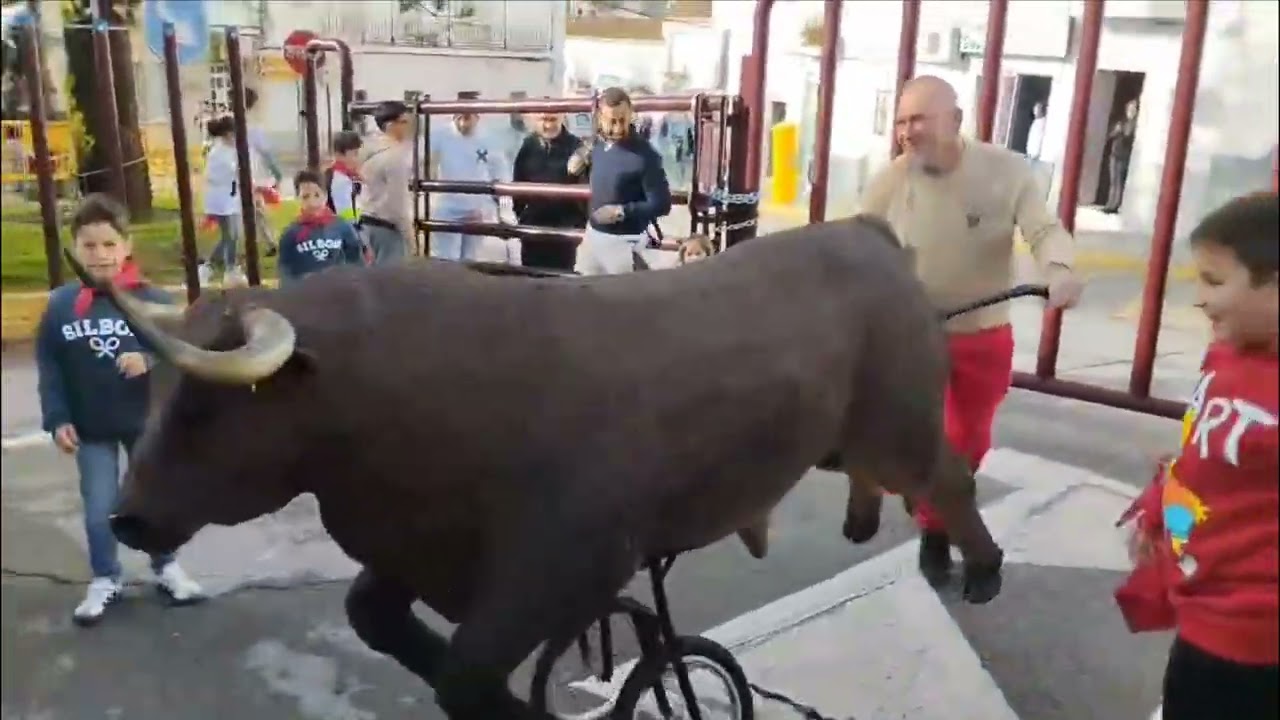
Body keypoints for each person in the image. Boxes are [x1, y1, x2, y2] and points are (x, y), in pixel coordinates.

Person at [859, 75, 1084, 586]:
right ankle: (938, 524)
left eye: (918, 119)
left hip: (984, 334)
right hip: (914, 336)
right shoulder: (892, 179)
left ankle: (936, 527)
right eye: (900, 120)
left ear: (955, 120)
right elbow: (856, 239)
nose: (906, 131)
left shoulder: (1006, 171)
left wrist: (1060, 270)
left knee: (970, 442)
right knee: (928, 440)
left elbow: (1043, 229)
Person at [1120, 192, 1277, 720]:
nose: (1199, 298)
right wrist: (1161, 507)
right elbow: (1202, 450)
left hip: (1252, 635)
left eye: (1214, 281)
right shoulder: (1225, 352)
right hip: (1202, 610)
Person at [35, 193, 206, 627]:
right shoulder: (60, 306)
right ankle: (104, 577)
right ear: (76, 249)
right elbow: (50, 368)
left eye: (109, 244)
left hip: (144, 425)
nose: (100, 254)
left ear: (127, 246)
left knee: (152, 502)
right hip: (90, 428)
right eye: (89, 246)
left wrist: (148, 360)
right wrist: (57, 419)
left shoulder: (154, 302)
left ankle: (165, 565)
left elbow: (179, 358)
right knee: (99, 508)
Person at [568, 86, 672, 275]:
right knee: (584, 297)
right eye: (611, 121)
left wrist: (622, 211)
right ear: (600, 117)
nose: (617, 127)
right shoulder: (595, 145)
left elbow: (662, 204)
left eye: (622, 120)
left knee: (624, 301)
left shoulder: (646, 155)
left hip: (625, 242)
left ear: (631, 114)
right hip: (592, 237)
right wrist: (580, 156)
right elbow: (572, 170)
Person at [427, 93, 507, 263]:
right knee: (445, 259)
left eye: (468, 117)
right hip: (448, 207)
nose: (464, 122)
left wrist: (503, 210)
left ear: (477, 117)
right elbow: (420, 158)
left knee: (471, 261)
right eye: (460, 117)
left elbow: (500, 173)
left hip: (477, 208)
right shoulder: (440, 135)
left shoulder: (489, 139)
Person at [511, 110, 588, 271]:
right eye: (543, 119)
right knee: (531, 278)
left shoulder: (576, 148)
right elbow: (518, 184)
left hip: (564, 229)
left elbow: (586, 192)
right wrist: (522, 217)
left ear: (561, 117)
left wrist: (578, 224)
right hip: (534, 227)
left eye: (552, 119)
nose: (548, 125)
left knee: (561, 281)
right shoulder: (528, 145)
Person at [277, 169, 367, 286]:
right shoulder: (291, 233)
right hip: (306, 294)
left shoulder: (342, 226)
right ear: (298, 199)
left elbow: (356, 259)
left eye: (317, 195)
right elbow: (285, 269)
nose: (312, 202)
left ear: (325, 196)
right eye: (305, 197)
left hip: (338, 291)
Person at [358, 100, 415, 264]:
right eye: (403, 122)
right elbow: (398, 203)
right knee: (391, 282)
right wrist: (409, 235)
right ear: (390, 125)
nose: (407, 127)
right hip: (388, 228)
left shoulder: (367, 151)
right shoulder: (395, 157)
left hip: (367, 222)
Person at [198, 114, 245, 287]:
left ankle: (208, 268)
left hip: (230, 198)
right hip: (220, 200)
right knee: (231, 234)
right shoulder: (218, 152)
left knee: (230, 235)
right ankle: (230, 269)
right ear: (227, 134)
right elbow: (228, 173)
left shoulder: (229, 149)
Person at [244, 87, 281, 258]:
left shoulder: (239, 125)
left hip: (246, 175)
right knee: (256, 210)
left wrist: (275, 171)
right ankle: (269, 241)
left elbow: (265, 152)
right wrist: (276, 172)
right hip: (248, 174)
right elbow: (266, 152)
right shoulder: (252, 127)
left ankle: (270, 241)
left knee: (255, 210)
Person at [1103, 99, 1139, 214]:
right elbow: (1110, 135)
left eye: (1133, 109)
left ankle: (1115, 205)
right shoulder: (1122, 122)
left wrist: (1121, 130)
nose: (1130, 111)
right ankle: (1109, 203)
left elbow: (1128, 136)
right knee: (1113, 181)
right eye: (1129, 109)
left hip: (1124, 156)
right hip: (1114, 154)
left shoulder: (1133, 123)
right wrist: (1116, 131)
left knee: (1118, 181)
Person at [325, 130, 363, 223]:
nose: (358, 158)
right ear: (339, 155)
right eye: (355, 154)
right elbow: (346, 216)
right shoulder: (339, 180)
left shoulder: (346, 176)